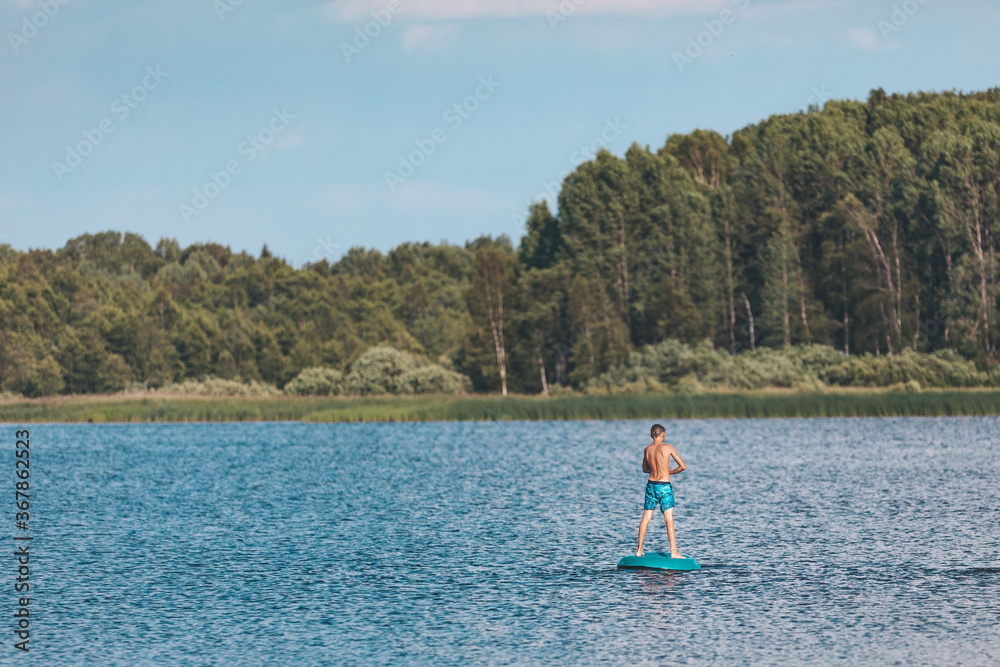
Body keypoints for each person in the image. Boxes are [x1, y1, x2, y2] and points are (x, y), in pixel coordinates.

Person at [635, 423, 687, 558]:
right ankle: (674, 552)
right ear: (663, 435)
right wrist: (668, 472)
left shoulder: (647, 449)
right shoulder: (668, 447)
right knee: (668, 519)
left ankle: (639, 550)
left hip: (651, 485)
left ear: (652, 435)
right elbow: (682, 466)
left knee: (646, 517)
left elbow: (645, 469)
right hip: (664, 486)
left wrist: (655, 470)